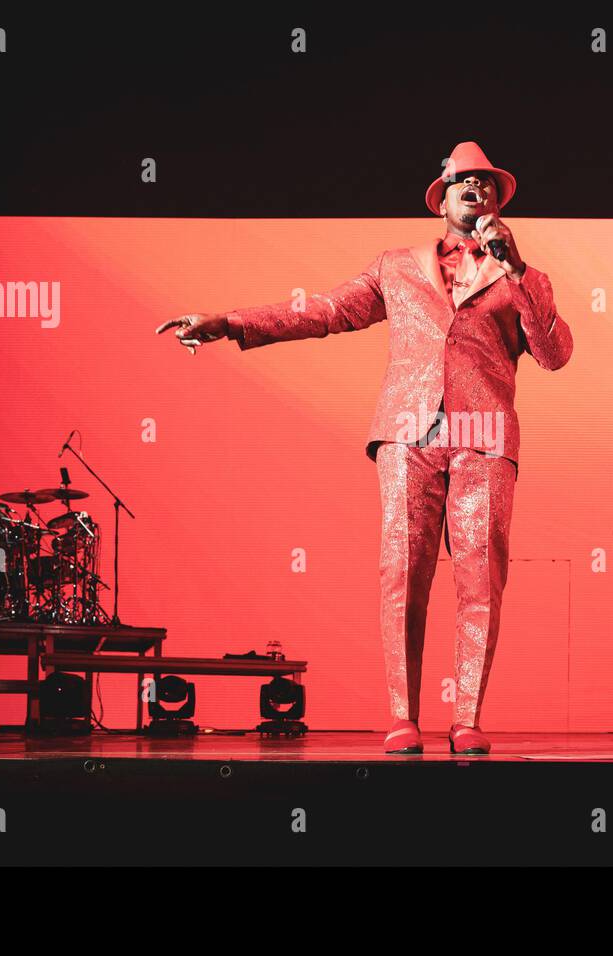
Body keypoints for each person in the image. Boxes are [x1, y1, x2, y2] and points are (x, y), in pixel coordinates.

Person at [157, 142, 574, 755]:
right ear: (442, 197)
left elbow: (555, 353)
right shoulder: (398, 266)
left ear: (499, 200)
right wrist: (230, 322)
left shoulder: (525, 278)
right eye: (464, 181)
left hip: (483, 440)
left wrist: (517, 269)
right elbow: (325, 311)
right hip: (409, 434)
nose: (475, 190)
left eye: (486, 183)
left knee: (481, 581)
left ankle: (467, 717)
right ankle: (403, 714)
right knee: (402, 575)